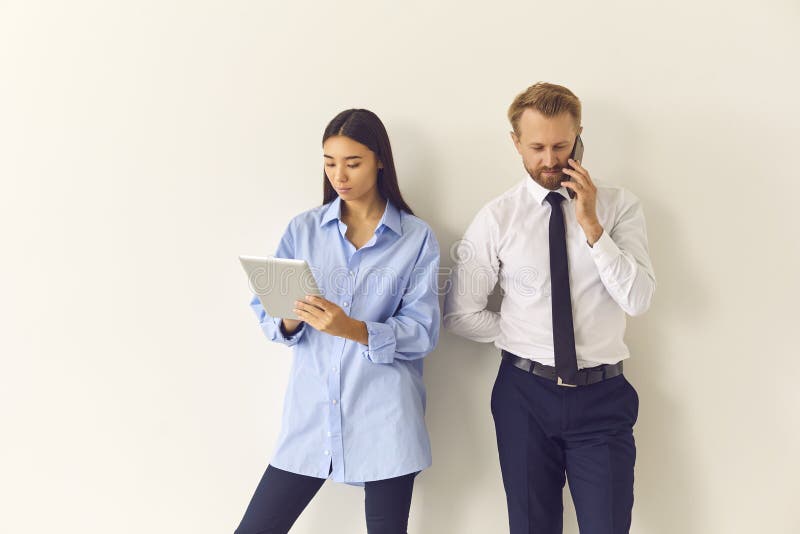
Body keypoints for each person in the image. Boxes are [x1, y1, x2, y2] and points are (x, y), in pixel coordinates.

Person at [443, 83, 656, 534]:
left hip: (603, 398)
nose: (549, 159)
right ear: (516, 142)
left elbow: (637, 299)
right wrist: (524, 334)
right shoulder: (497, 218)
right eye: (536, 146)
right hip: (524, 396)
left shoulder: (620, 208)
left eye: (561, 145)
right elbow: (461, 312)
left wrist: (593, 226)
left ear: (579, 136)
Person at [236, 109, 440, 534]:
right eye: (329, 163)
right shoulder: (303, 229)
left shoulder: (416, 238)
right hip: (311, 416)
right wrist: (291, 320)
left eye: (352, 162)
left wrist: (353, 328)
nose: (339, 176)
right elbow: (267, 311)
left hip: (386, 419)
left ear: (380, 159)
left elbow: (423, 332)